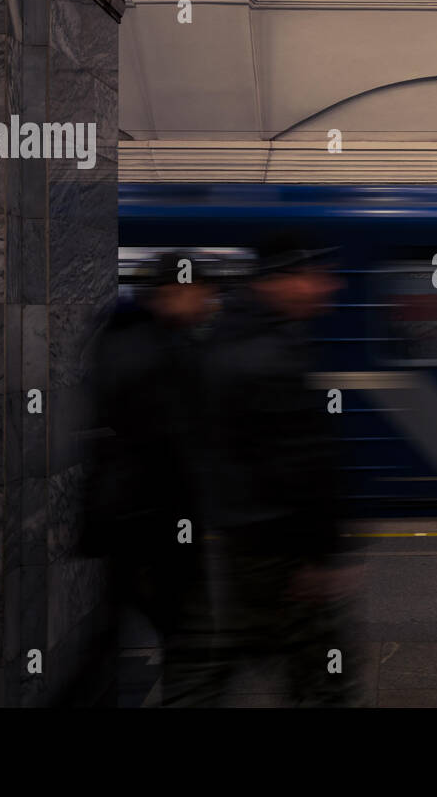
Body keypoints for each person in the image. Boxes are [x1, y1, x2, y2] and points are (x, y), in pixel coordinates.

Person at [162, 232, 360, 707]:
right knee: (323, 677)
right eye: (315, 276)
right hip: (278, 548)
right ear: (283, 279)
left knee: (220, 659)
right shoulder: (267, 354)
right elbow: (300, 460)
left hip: (243, 538)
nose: (327, 288)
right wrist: (321, 552)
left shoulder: (233, 334)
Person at [81, 251, 217, 704]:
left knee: (116, 639)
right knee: (191, 637)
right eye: (199, 291)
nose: (209, 301)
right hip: (150, 522)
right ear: (171, 293)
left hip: (133, 519)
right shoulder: (152, 350)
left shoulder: (133, 338)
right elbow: (171, 443)